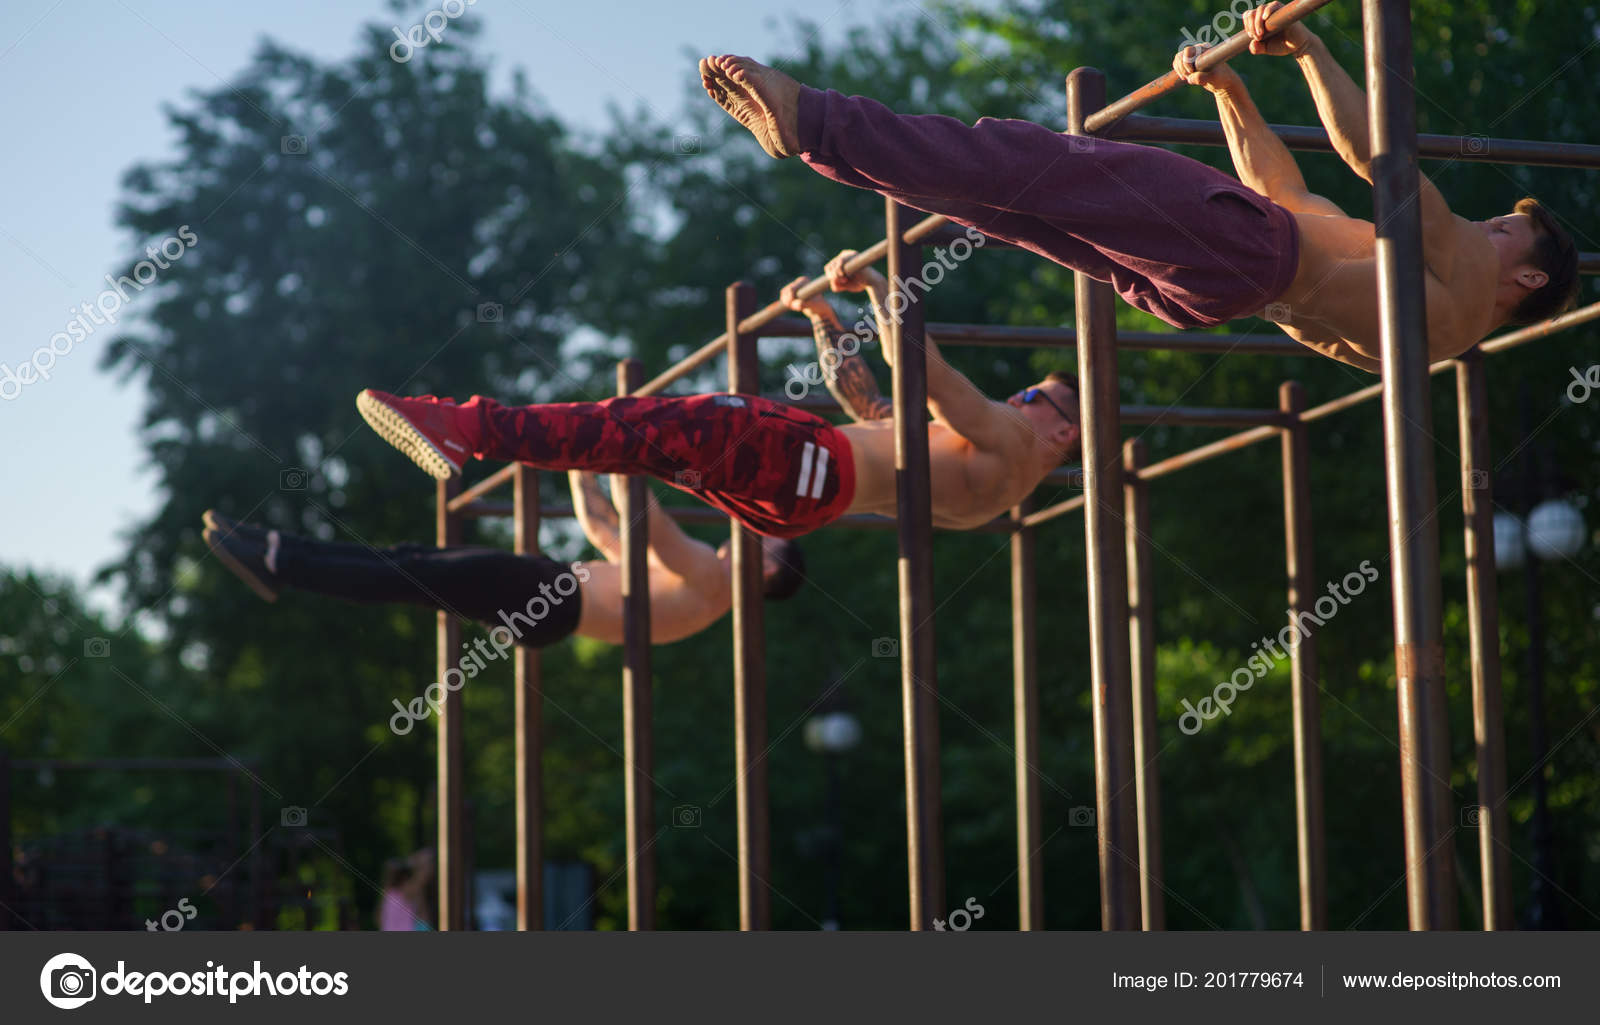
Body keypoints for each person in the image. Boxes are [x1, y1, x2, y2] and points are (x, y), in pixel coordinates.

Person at [697, 10, 1577, 372]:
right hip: (1217, 285)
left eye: (1507, 226)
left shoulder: (1462, 280)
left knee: (1022, 161)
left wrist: (1310, 48)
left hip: (1245, 251)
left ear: (1528, 279)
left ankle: (817, 123)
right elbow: (1291, 198)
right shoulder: (1419, 317)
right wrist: (1232, 93)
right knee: (1001, 206)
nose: (1488, 222)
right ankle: (819, 145)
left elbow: (1375, 157)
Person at [353, 252, 1080, 537]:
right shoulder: (985, 480)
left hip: (808, 466)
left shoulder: (1013, 445)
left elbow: (929, 376)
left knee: (644, 423)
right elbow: (874, 407)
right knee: (636, 440)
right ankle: (469, 430)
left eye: (1032, 395)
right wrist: (827, 320)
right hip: (798, 494)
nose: (1018, 400)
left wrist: (883, 287)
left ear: (1063, 433)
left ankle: (465, 426)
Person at [200, 469, 806, 649]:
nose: (744, 539)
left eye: (760, 542)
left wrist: (626, 449)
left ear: (768, 572)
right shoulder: (698, 582)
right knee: (410, 565)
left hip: (551, 595)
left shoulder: (713, 582)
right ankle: (275, 551)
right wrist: (583, 468)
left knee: (411, 572)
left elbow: (652, 526)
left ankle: (279, 562)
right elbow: (607, 531)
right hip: (549, 603)